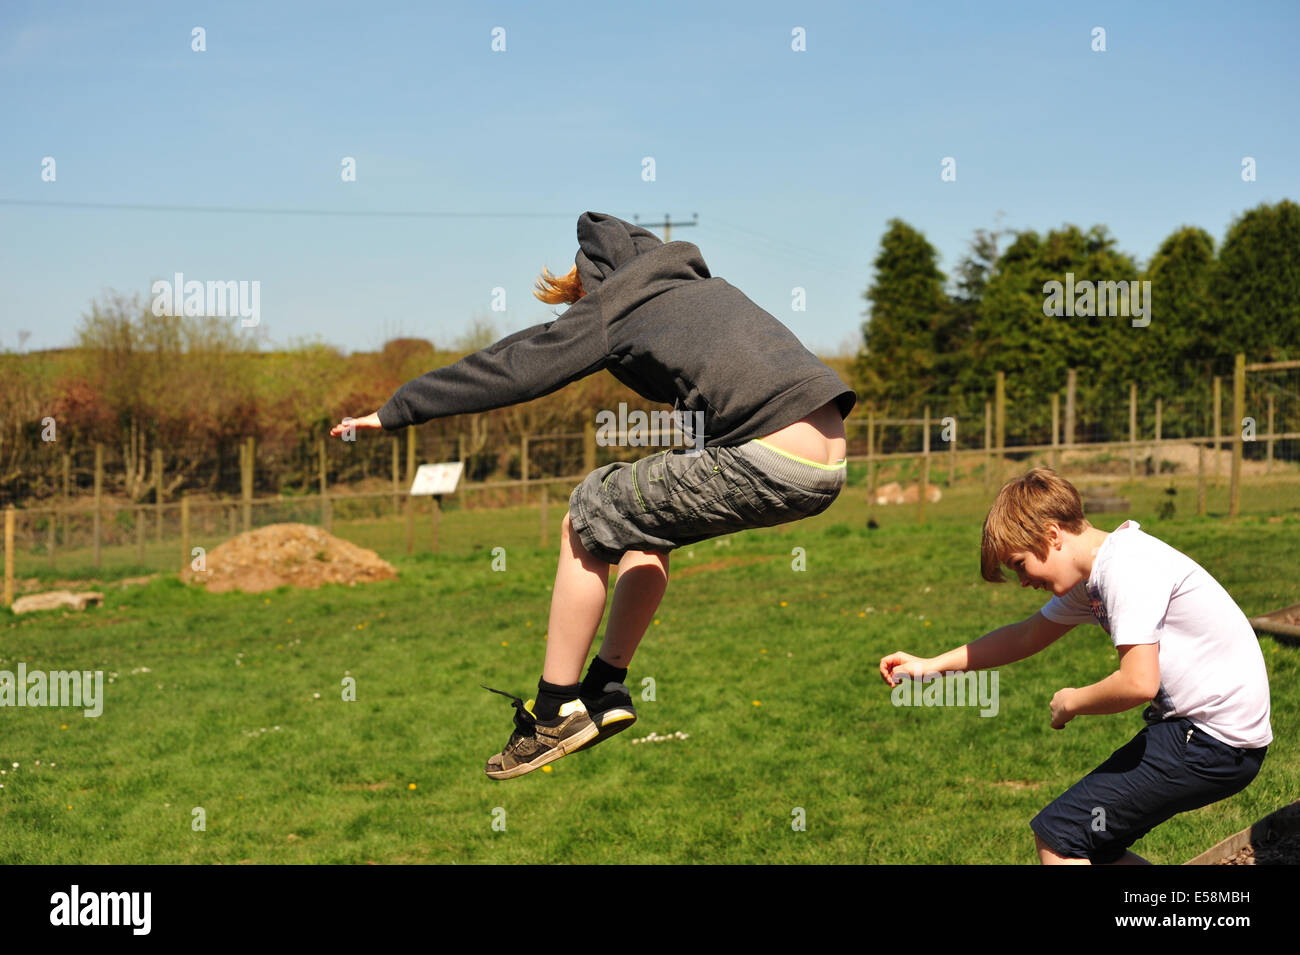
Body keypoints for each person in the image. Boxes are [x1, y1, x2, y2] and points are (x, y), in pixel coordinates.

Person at [332, 211, 856, 779]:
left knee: (586, 517)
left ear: (596, 279)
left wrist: (394, 412)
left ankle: (555, 709)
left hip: (767, 456)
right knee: (642, 523)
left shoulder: (617, 303)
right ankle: (606, 689)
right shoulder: (706, 291)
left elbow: (513, 366)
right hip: (826, 462)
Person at [879, 466, 1272, 864]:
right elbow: (1025, 636)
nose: (1022, 581)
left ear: (1051, 535)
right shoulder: (1098, 573)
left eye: (1018, 563)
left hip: (1214, 739)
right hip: (1212, 735)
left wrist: (1072, 701)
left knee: (1061, 837)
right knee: (1091, 842)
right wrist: (931, 666)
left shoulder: (1125, 568)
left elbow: (1138, 683)